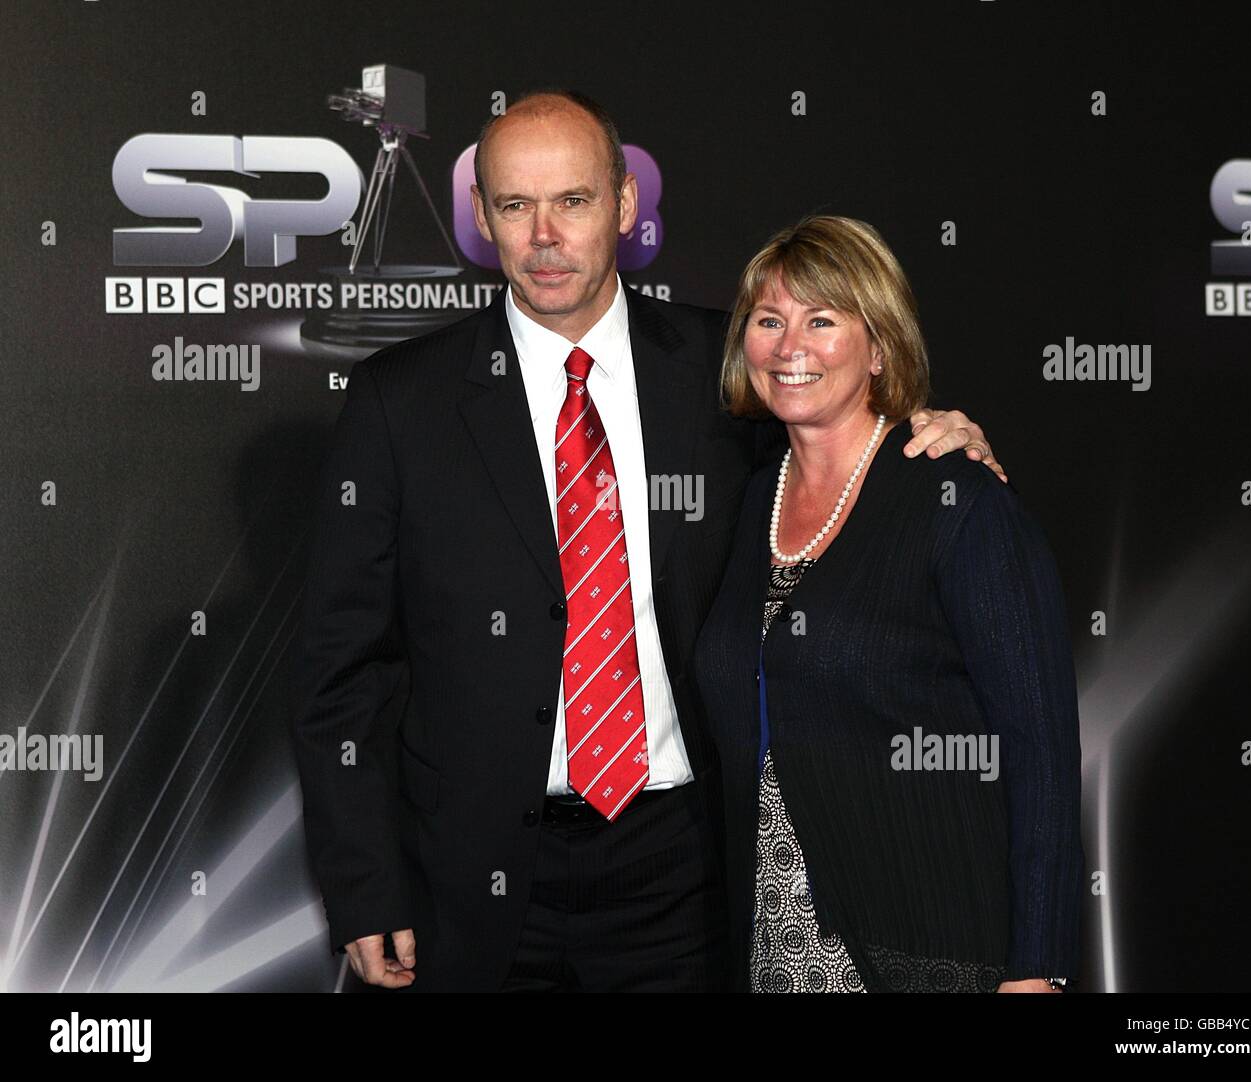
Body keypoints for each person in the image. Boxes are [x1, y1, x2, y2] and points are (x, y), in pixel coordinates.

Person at [288, 91, 1005, 992]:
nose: (544, 235)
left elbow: (842, 460)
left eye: (574, 202)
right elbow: (338, 673)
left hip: (689, 871)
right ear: (481, 218)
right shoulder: (402, 401)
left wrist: (925, 438)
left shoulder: (733, 374)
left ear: (626, 206)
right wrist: (363, 885)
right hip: (469, 883)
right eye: (515, 205)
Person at [693, 215, 1084, 993]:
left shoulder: (955, 500)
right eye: (769, 320)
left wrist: (1038, 970)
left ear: (879, 347)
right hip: (773, 942)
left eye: (822, 319)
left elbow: (1040, 751)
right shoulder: (739, 498)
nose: (788, 344)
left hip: (931, 943)